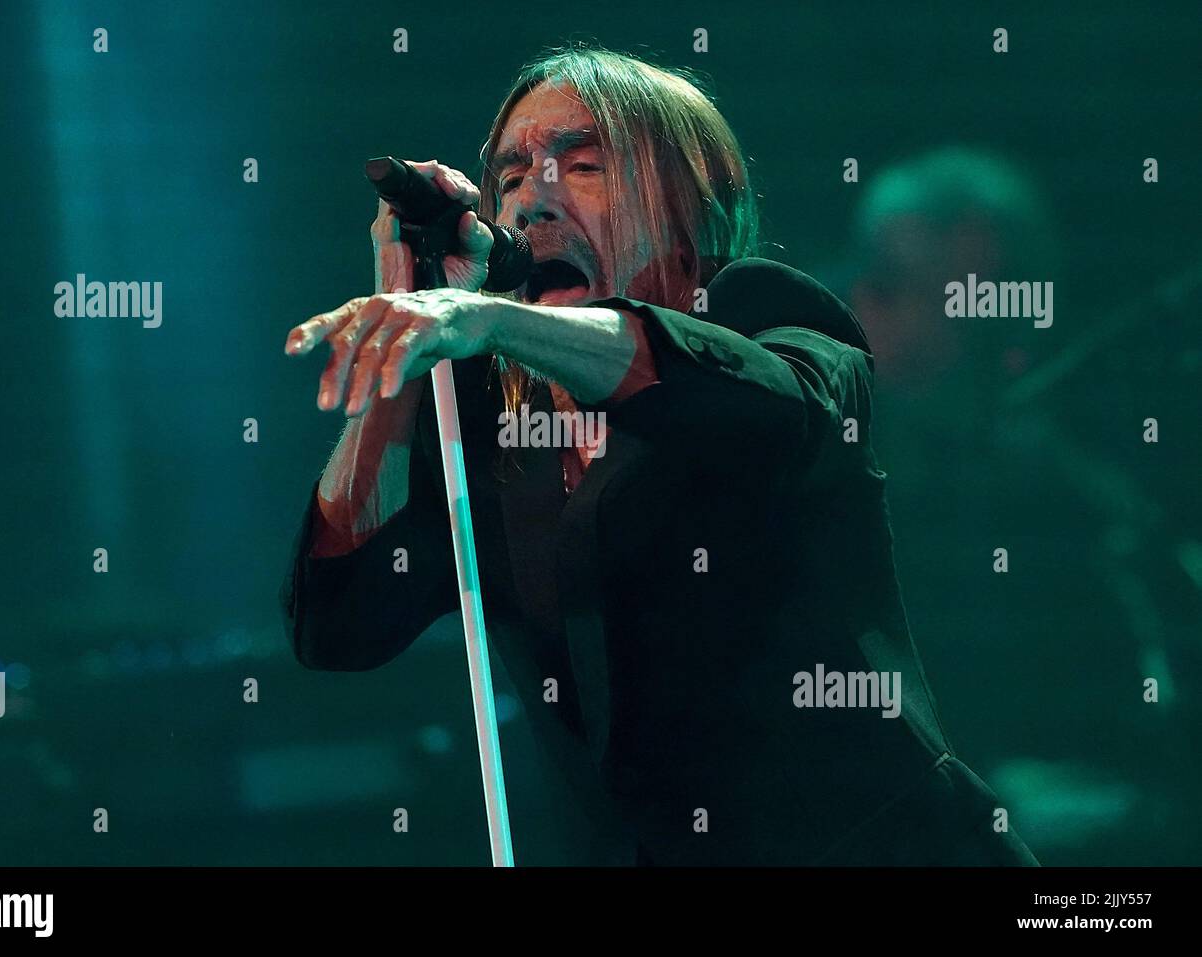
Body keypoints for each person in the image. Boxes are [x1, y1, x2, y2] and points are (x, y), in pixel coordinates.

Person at [280, 47, 1038, 866]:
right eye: (510, 175)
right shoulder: (498, 421)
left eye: (583, 164)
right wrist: (402, 329)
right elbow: (338, 625)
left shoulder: (774, 319)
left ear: (692, 202)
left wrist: (492, 321)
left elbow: (763, 409)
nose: (534, 198)